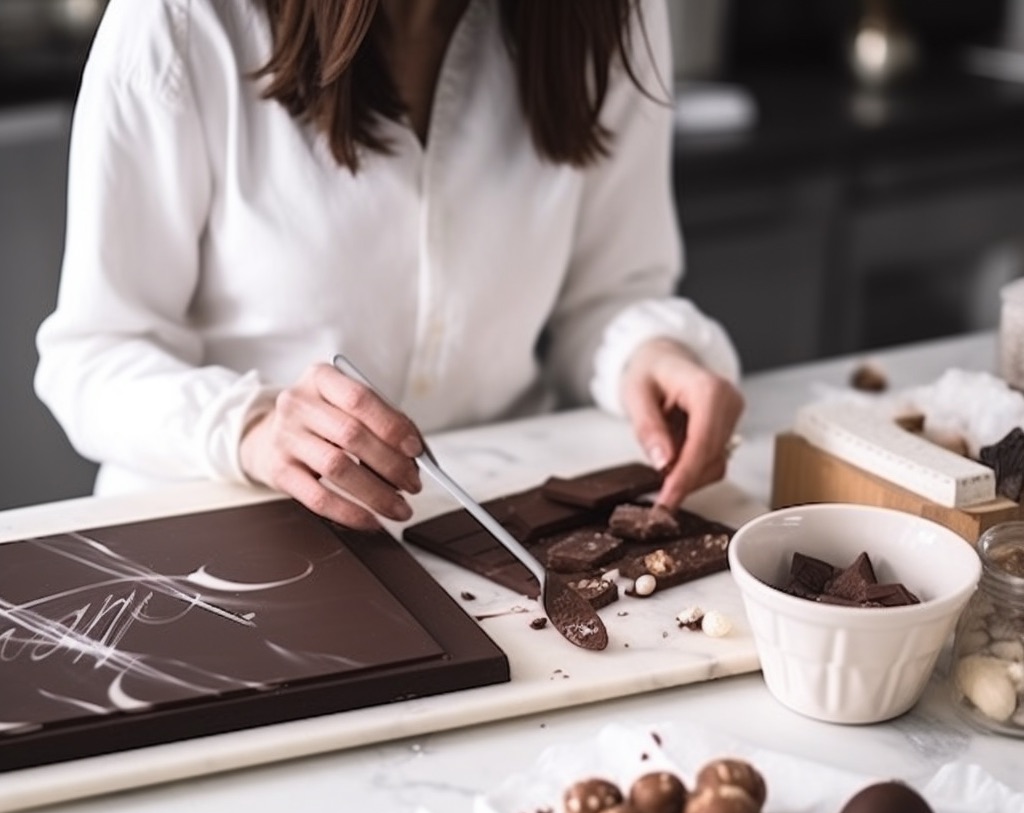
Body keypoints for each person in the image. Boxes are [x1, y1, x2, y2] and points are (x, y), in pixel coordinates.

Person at [36, 0, 744, 531]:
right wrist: (250, 429)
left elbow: (607, 294)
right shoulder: (182, 18)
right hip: (210, 530)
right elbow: (94, 357)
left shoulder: (609, 15)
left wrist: (649, 353)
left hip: (488, 525)